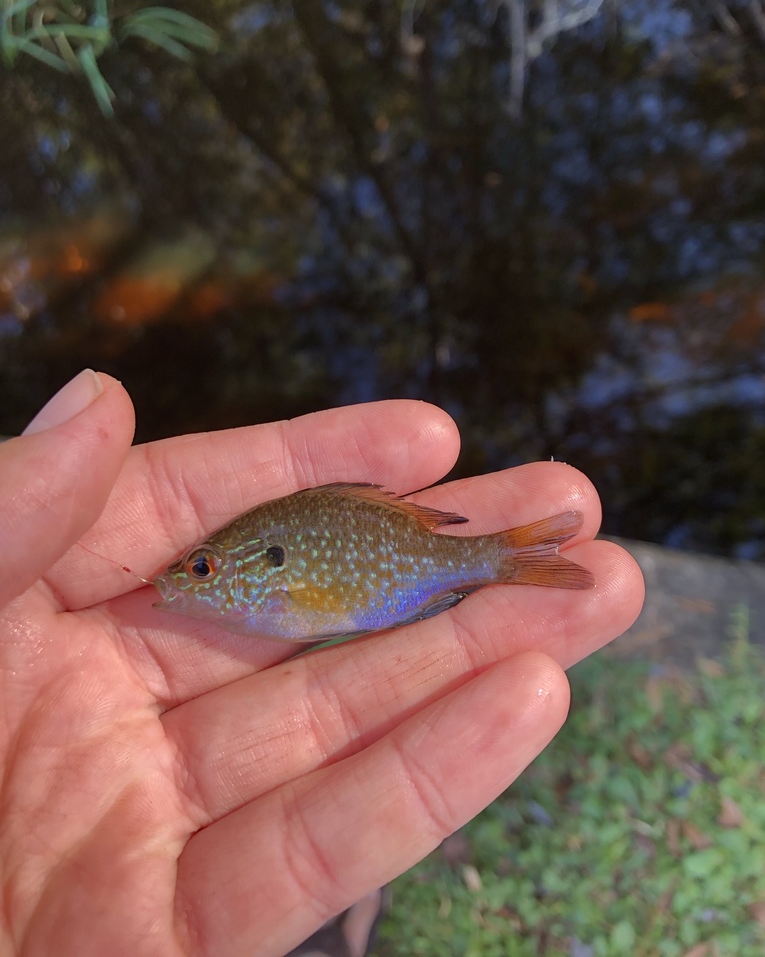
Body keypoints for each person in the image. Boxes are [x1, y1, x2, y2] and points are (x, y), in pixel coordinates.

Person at [0, 370, 644, 957]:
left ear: (260, 568)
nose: (181, 582)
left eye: (202, 570)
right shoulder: (258, 579)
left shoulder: (277, 584)